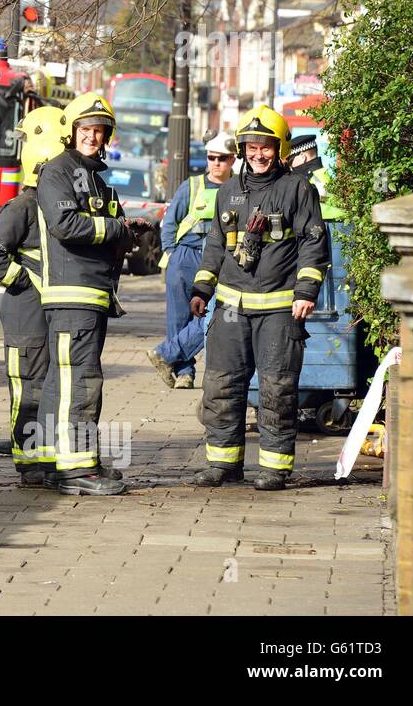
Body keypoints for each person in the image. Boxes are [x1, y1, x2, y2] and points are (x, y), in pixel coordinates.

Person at [187, 106, 331, 491]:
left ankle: (274, 467)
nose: (258, 154)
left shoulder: (298, 189)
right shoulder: (229, 192)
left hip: (279, 311)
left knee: (276, 390)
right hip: (231, 309)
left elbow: (314, 244)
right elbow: (216, 244)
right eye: (251, 147)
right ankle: (222, 464)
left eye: (266, 147)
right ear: (242, 149)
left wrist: (306, 293)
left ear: (280, 147)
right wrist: (202, 289)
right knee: (221, 387)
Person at [35, 92, 145, 495]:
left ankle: (54, 461)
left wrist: (127, 231)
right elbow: (66, 225)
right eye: (87, 129)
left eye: (100, 131)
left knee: (61, 381)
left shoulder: (95, 176)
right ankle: (77, 469)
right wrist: (116, 230)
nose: (93, 137)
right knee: (80, 381)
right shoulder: (58, 171)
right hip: (73, 295)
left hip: (88, 294)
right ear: (71, 132)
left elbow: (96, 225)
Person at [0, 105, 66, 487]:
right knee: (28, 391)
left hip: (46, 317)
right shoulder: (23, 206)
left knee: (47, 390)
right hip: (26, 319)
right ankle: (29, 463)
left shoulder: (51, 206)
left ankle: (45, 458)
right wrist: (23, 281)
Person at [146, 132, 236, 390]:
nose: (216, 163)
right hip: (186, 256)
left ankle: (165, 354)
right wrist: (172, 253)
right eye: (211, 158)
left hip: (218, 259)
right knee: (178, 318)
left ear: (232, 159)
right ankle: (185, 374)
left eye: (221, 158)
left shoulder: (238, 187)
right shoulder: (192, 185)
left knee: (213, 317)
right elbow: (169, 222)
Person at [288, 134, 345, 221]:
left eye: (291, 161)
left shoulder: (312, 178)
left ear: (302, 157)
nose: (290, 165)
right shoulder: (321, 174)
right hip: (337, 224)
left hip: (329, 226)